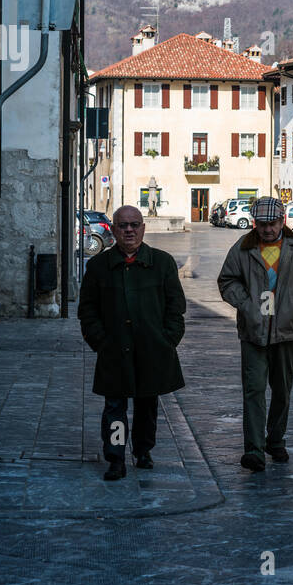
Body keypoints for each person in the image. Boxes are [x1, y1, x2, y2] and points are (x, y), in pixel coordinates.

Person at [217, 197, 293, 472]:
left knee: (282, 391)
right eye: (262, 224)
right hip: (253, 332)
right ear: (255, 223)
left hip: (287, 331)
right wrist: (245, 304)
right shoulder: (243, 248)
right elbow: (227, 280)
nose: (267, 230)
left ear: (282, 222)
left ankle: (275, 440)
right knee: (253, 391)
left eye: (272, 224)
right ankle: (253, 450)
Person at [77, 205, 186, 481]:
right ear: (113, 229)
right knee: (115, 407)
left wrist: (167, 340)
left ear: (143, 228)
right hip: (114, 350)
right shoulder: (100, 266)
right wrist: (100, 342)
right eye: (123, 225)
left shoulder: (162, 263)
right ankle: (116, 458)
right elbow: (87, 309)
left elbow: (176, 307)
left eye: (134, 224)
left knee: (147, 405)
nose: (129, 230)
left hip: (152, 350)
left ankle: (143, 451)